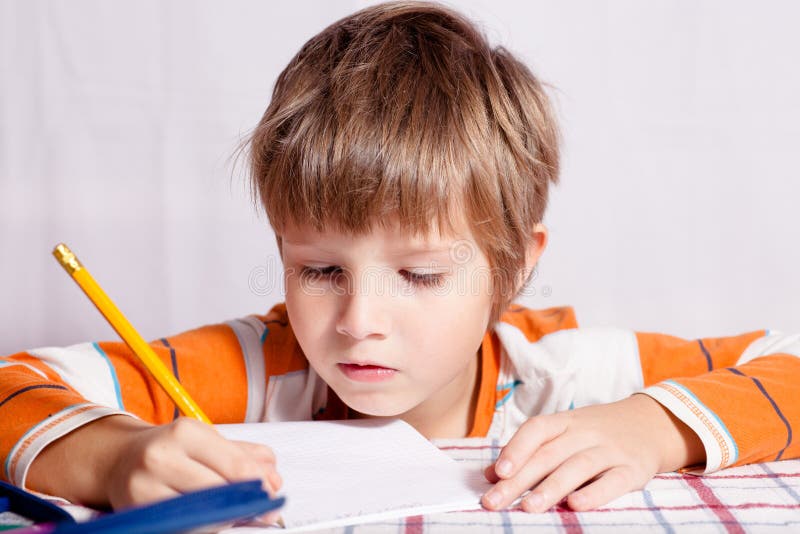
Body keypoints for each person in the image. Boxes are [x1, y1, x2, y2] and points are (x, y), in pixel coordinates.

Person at [1, 0, 797, 515]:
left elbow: (786, 363)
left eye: (418, 275)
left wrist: (652, 426)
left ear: (514, 269)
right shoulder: (256, 366)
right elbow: (13, 388)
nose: (358, 323)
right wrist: (113, 460)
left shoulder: (564, 370)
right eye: (321, 271)